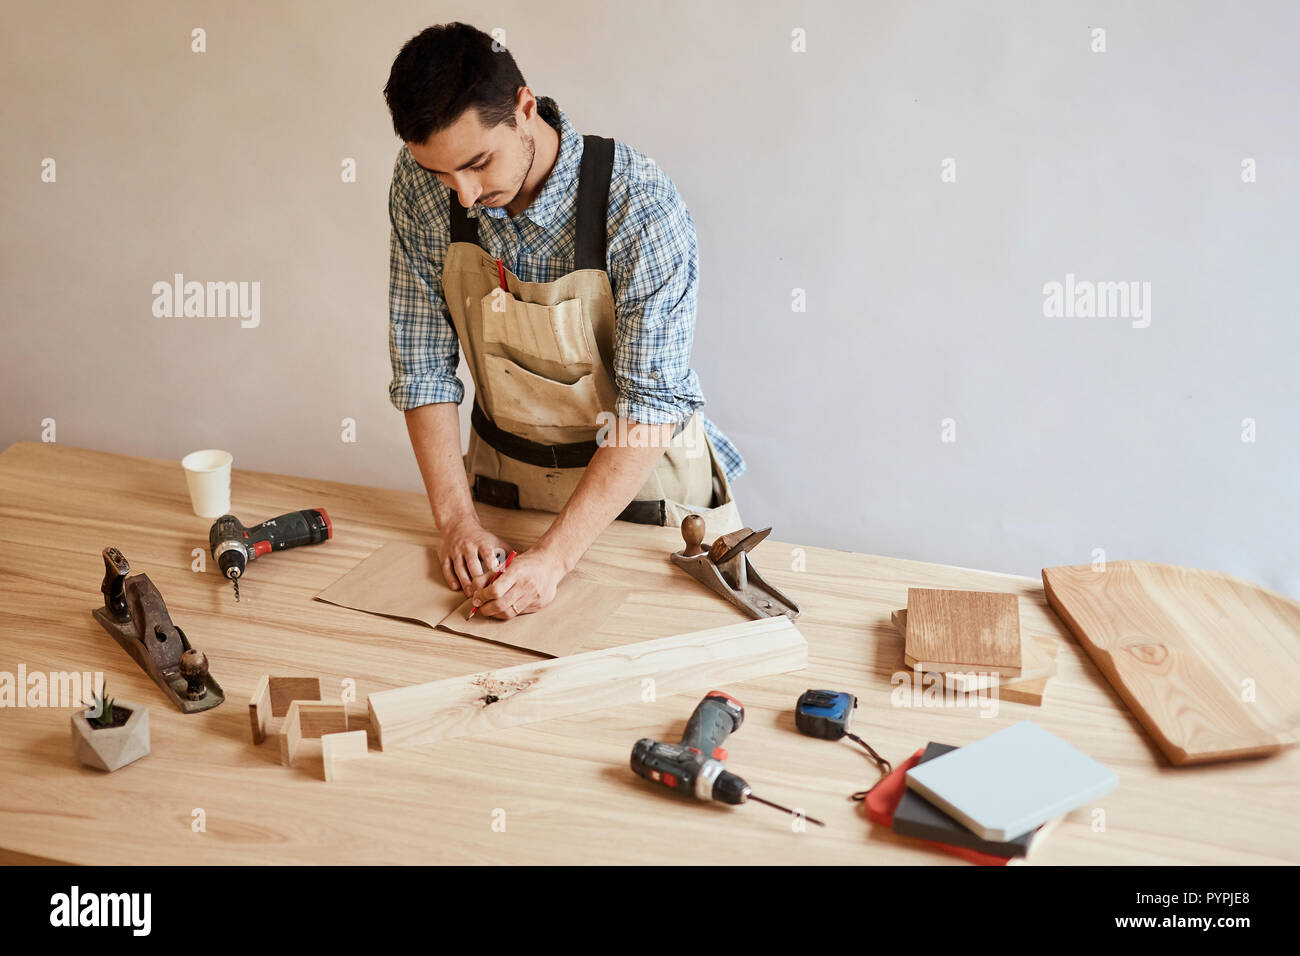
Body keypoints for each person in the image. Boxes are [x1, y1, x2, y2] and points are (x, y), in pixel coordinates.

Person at [383, 22, 745, 620]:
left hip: (646, 499)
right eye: (442, 175)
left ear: (525, 109)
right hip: (506, 489)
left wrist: (555, 558)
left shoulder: (639, 206)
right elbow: (421, 368)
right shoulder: (423, 186)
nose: (464, 196)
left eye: (477, 164)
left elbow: (650, 407)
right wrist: (456, 522)